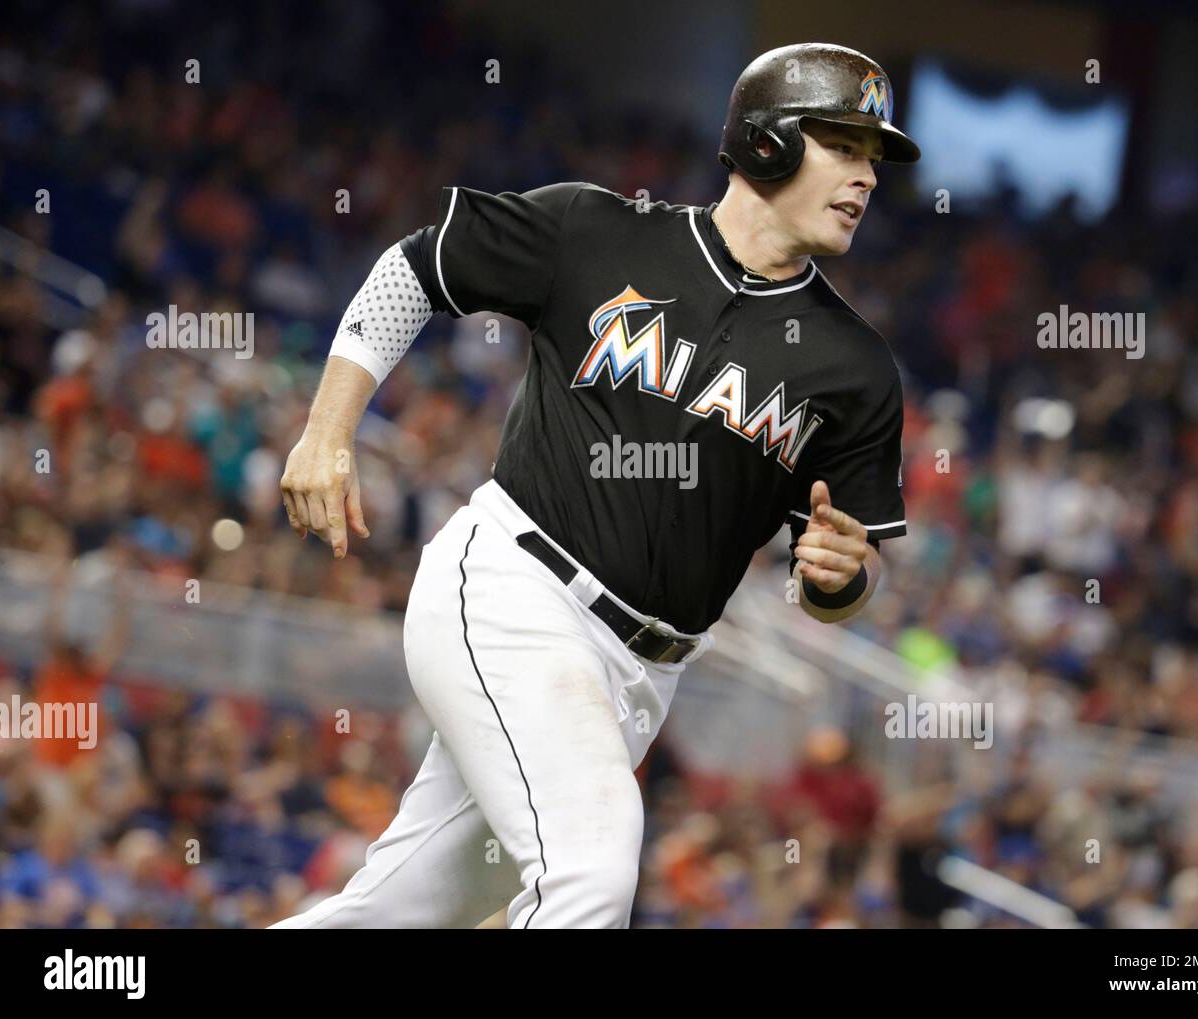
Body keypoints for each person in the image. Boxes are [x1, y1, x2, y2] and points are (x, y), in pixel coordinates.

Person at [271, 42, 917, 929]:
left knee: (401, 911)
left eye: (874, 158)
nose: (867, 176)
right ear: (766, 140)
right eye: (846, 144)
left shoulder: (856, 368)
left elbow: (837, 586)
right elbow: (416, 269)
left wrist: (841, 577)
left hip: (643, 678)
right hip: (514, 590)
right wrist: (327, 428)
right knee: (590, 874)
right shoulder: (600, 231)